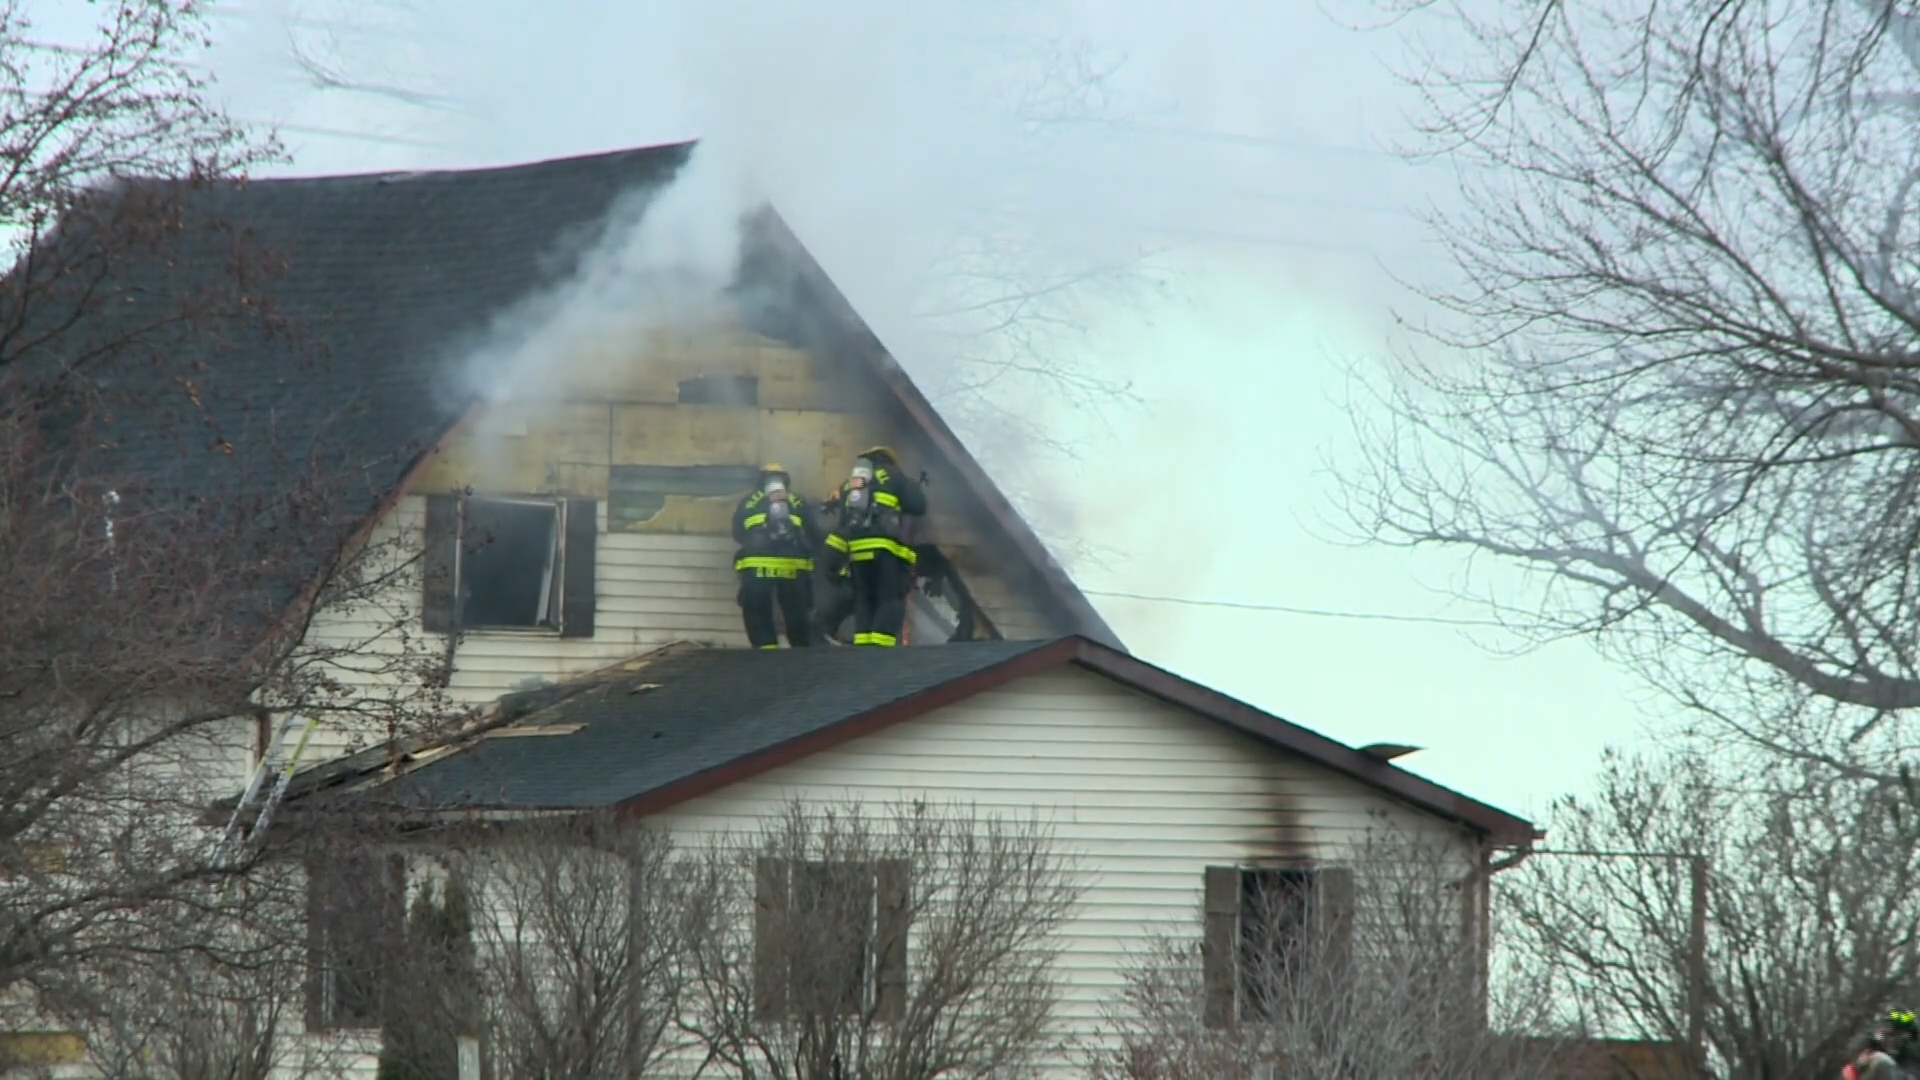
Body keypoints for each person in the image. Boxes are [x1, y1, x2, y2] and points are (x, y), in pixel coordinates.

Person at [822, 446, 927, 647]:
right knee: (888, 599)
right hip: (887, 551)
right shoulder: (894, 476)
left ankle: (864, 651)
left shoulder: (849, 485)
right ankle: (881, 653)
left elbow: (843, 524)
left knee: (864, 601)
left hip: (859, 553)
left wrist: (832, 561)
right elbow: (918, 506)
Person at [732, 463, 820, 649]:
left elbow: (738, 533)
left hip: (757, 567)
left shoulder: (748, 502)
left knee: (757, 610)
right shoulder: (798, 500)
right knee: (796, 612)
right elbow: (813, 532)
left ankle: (766, 651)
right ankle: (800, 652)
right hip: (793, 566)